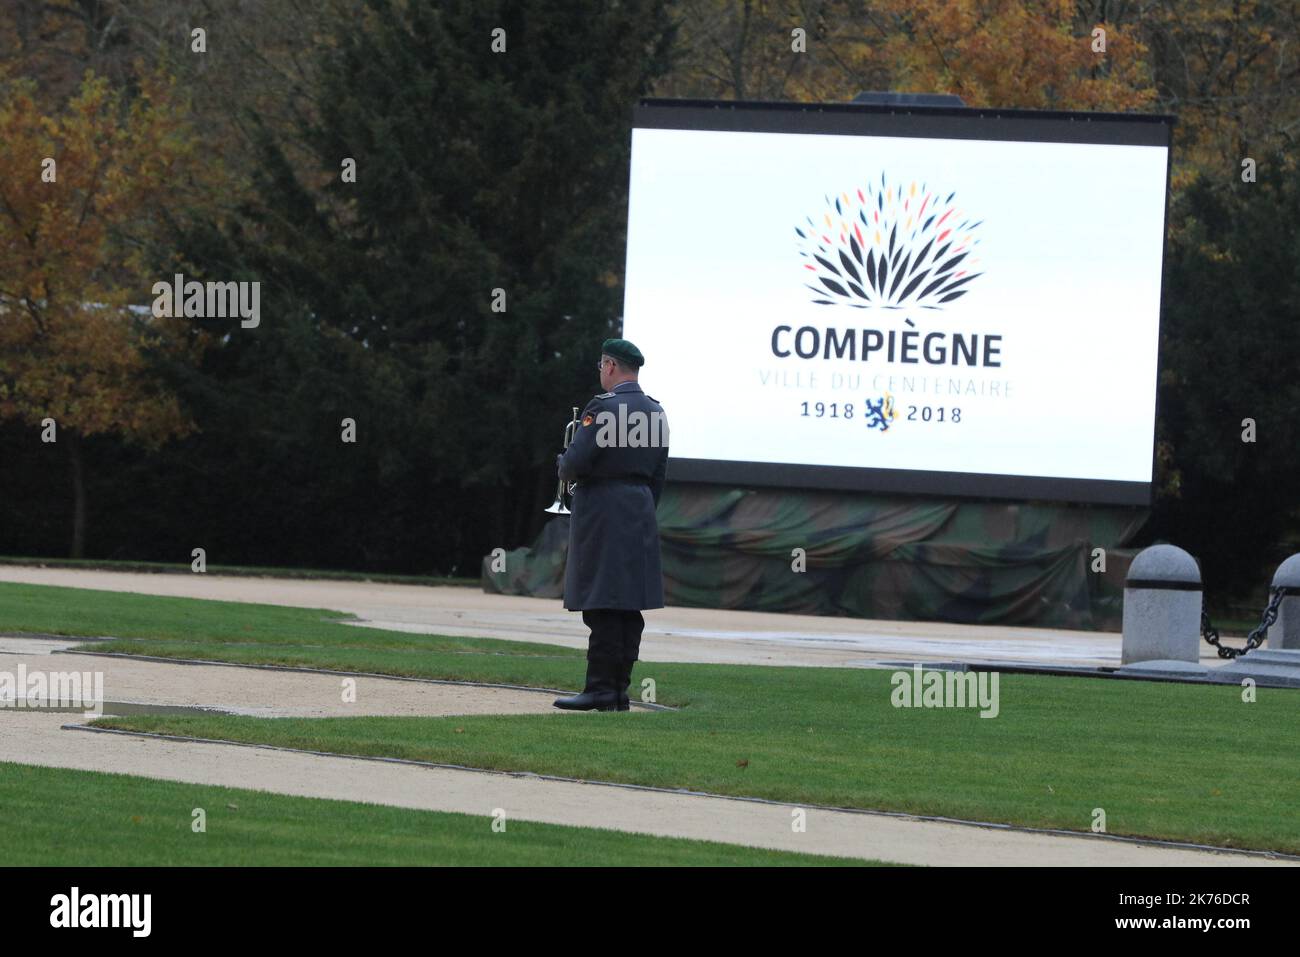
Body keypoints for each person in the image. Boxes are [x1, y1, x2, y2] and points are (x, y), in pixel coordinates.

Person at [553, 338, 669, 712]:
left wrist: (561, 462)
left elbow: (575, 463)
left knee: (601, 601)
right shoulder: (656, 412)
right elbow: (659, 474)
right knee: (628, 605)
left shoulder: (602, 408)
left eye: (601, 366)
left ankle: (599, 689)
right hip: (640, 508)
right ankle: (618, 691)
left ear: (610, 366)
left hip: (603, 509)